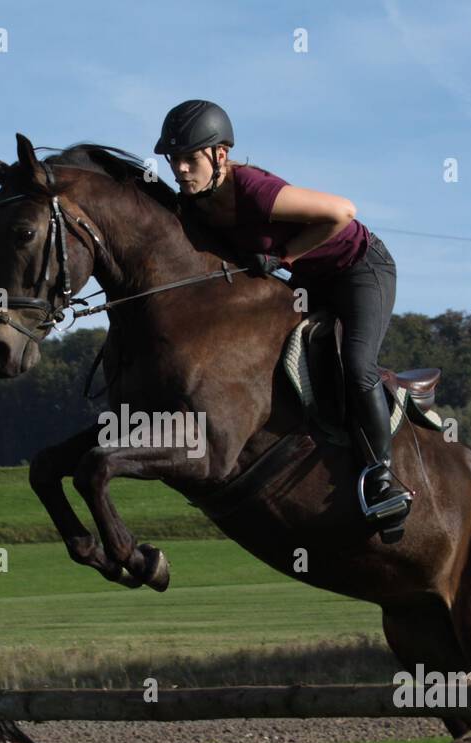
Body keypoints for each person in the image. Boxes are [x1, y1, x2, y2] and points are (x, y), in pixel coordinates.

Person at [156, 99, 411, 529]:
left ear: (220, 155)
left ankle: (382, 477)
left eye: (189, 159)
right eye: (174, 160)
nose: (180, 169)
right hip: (307, 283)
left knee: (354, 363)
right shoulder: (197, 201)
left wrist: (284, 256)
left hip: (360, 269)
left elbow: (342, 211)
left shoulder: (254, 189)